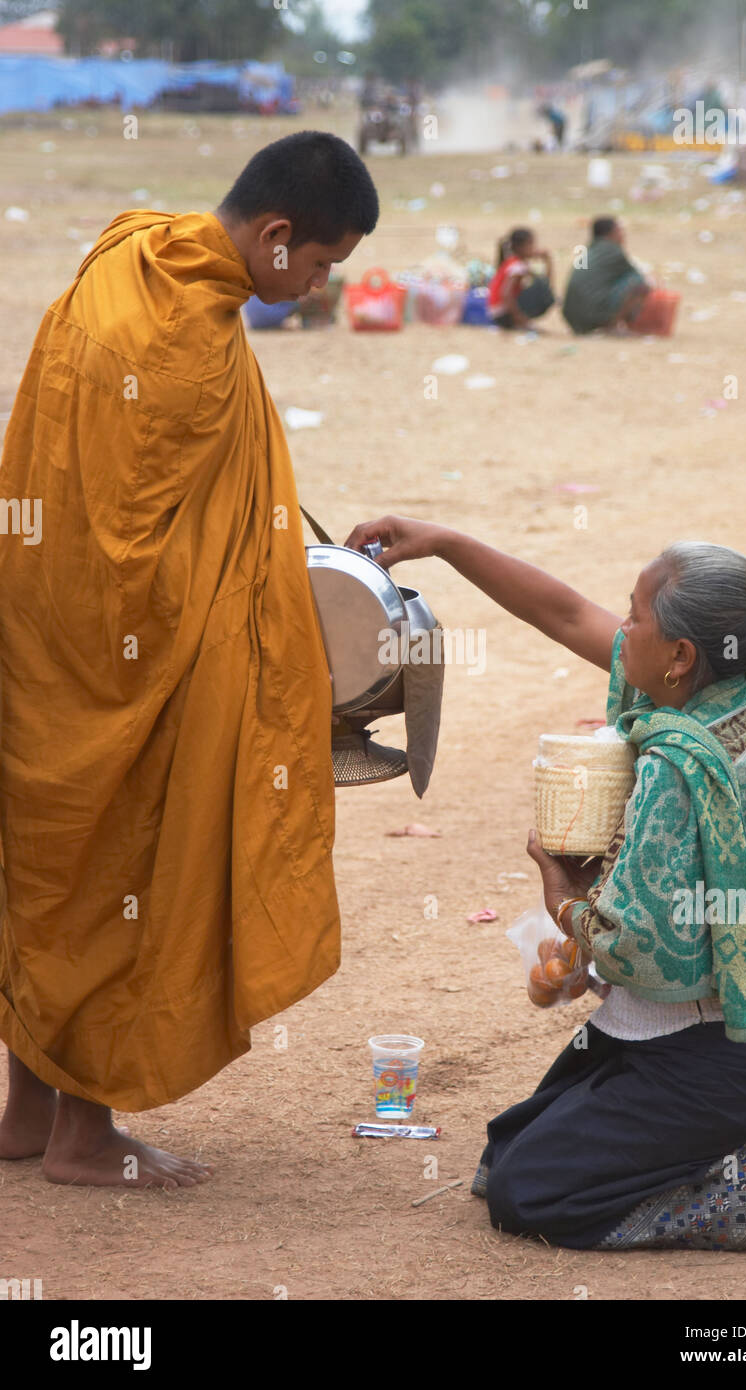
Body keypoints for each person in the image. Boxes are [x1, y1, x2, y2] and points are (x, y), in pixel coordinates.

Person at [0, 132, 378, 1189]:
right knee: (131, 862)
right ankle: (84, 1135)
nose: (316, 287)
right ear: (273, 235)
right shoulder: (190, 344)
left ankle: (24, 1112)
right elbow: (151, 556)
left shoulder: (129, 254)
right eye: (318, 265)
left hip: (42, 632)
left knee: (52, 871)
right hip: (128, 663)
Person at [342, 514, 746, 1253]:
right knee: (506, 1152)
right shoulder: (737, 691)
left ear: (678, 654)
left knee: (533, 1192)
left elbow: (637, 953)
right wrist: (446, 543)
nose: (619, 628)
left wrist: (564, 898)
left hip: (725, 1055)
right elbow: (565, 613)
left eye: (635, 615)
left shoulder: (679, 767)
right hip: (744, 1035)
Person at [562, 215, 650, 335]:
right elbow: (639, 277)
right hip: (592, 314)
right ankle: (613, 326)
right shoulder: (613, 251)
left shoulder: (590, 250)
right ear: (611, 233)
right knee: (639, 282)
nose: (623, 235)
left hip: (573, 318)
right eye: (620, 230)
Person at [487, 228, 555, 330]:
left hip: (496, 312)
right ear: (520, 247)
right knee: (541, 289)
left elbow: (544, 280)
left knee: (540, 286)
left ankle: (519, 321)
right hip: (502, 314)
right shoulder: (517, 266)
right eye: (530, 244)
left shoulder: (514, 262)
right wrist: (520, 318)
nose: (534, 248)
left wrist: (547, 261)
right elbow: (505, 294)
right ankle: (519, 322)